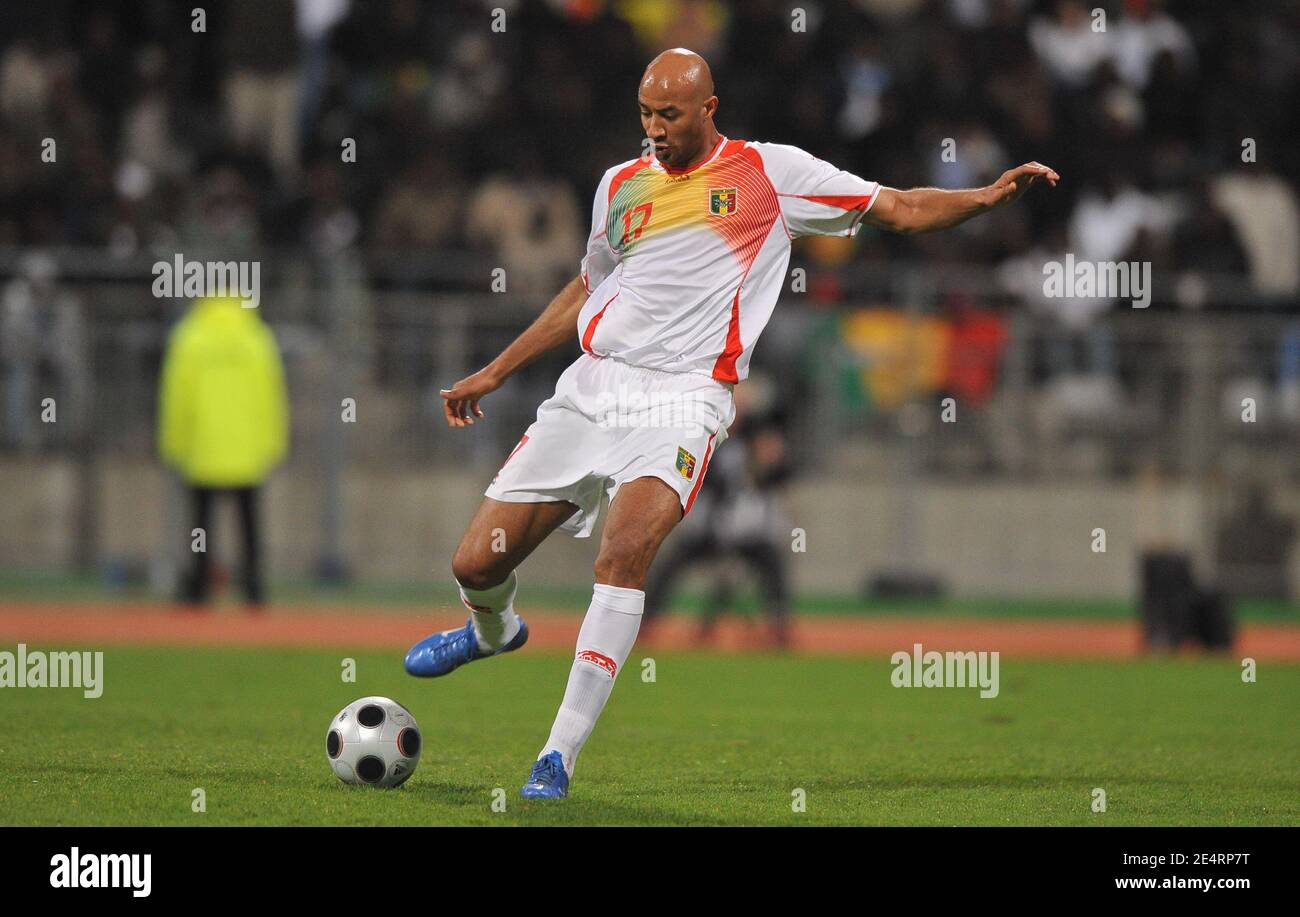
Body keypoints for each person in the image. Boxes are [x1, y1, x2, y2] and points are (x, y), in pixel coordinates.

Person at [403, 49, 1058, 798]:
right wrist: (497, 368)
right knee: (474, 565)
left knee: (623, 556)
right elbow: (587, 288)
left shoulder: (770, 174)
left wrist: (986, 197)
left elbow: (899, 207)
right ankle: (493, 631)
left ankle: (556, 756)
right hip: (591, 392)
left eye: (670, 115)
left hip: (686, 399)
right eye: (646, 114)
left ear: (710, 107)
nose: (655, 128)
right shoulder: (620, 185)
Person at [157, 296, 289, 608]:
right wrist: (274, 442)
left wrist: (173, 442)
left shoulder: (190, 335)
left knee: (201, 523)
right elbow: (272, 394)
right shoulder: (257, 337)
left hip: (203, 444)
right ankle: (254, 586)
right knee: (249, 522)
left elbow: (176, 395)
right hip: (247, 446)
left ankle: (199, 587)